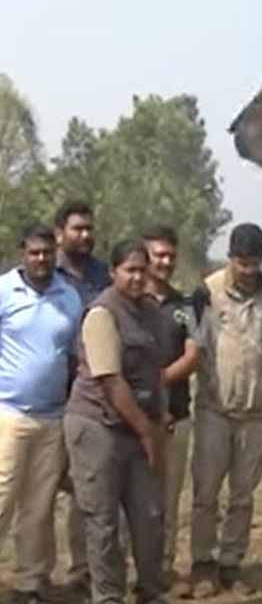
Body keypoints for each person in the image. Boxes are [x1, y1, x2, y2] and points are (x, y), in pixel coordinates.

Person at [186, 223, 262, 597]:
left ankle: (231, 564)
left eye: (254, 263)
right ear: (230, 258)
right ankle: (202, 565)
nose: (248, 270)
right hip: (214, 409)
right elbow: (190, 346)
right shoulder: (205, 293)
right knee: (206, 493)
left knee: (244, 495)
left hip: (256, 413)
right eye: (241, 262)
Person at [63, 240, 169, 604]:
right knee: (103, 520)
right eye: (130, 270)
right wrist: (147, 433)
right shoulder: (101, 314)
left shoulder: (153, 312)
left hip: (138, 426)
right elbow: (111, 382)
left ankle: (151, 593)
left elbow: (155, 373)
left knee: (149, 515)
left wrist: (159, 420)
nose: (138, 277)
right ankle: (108, 597)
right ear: (113, 273)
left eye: (143, 269)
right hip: (98, 426)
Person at [0, 224, 84, 603]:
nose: (41, 259)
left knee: (39, 506)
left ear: (56, 252)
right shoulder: (4, 291)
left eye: (47, 252)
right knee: (2, 498)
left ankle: (29, 583)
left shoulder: (68, 296)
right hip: (9, 413)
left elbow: (72, 358)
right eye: (34, 252)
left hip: (53, 418)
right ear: (23, 253)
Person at [138, 226, 200, 591]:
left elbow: (193, 355)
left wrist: (155, 381)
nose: (164, 262)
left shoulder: (186, 306)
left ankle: (163, 568)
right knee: (131, 498)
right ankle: (132, 569)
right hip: (131, 419)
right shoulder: (127, 302)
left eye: (170, 256)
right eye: (157, 255)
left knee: (169, 498)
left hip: (176, 416)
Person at [53, 200, 109, 594]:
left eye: (89, 229)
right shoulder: (41, 273)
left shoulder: (103, 275)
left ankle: (80, 571)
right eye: (77, 229)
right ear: (60, 233)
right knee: (34, 494)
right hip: (42, 403)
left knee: (84, 490)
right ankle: (31, 576)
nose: (85, 236)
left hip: (89, 399)